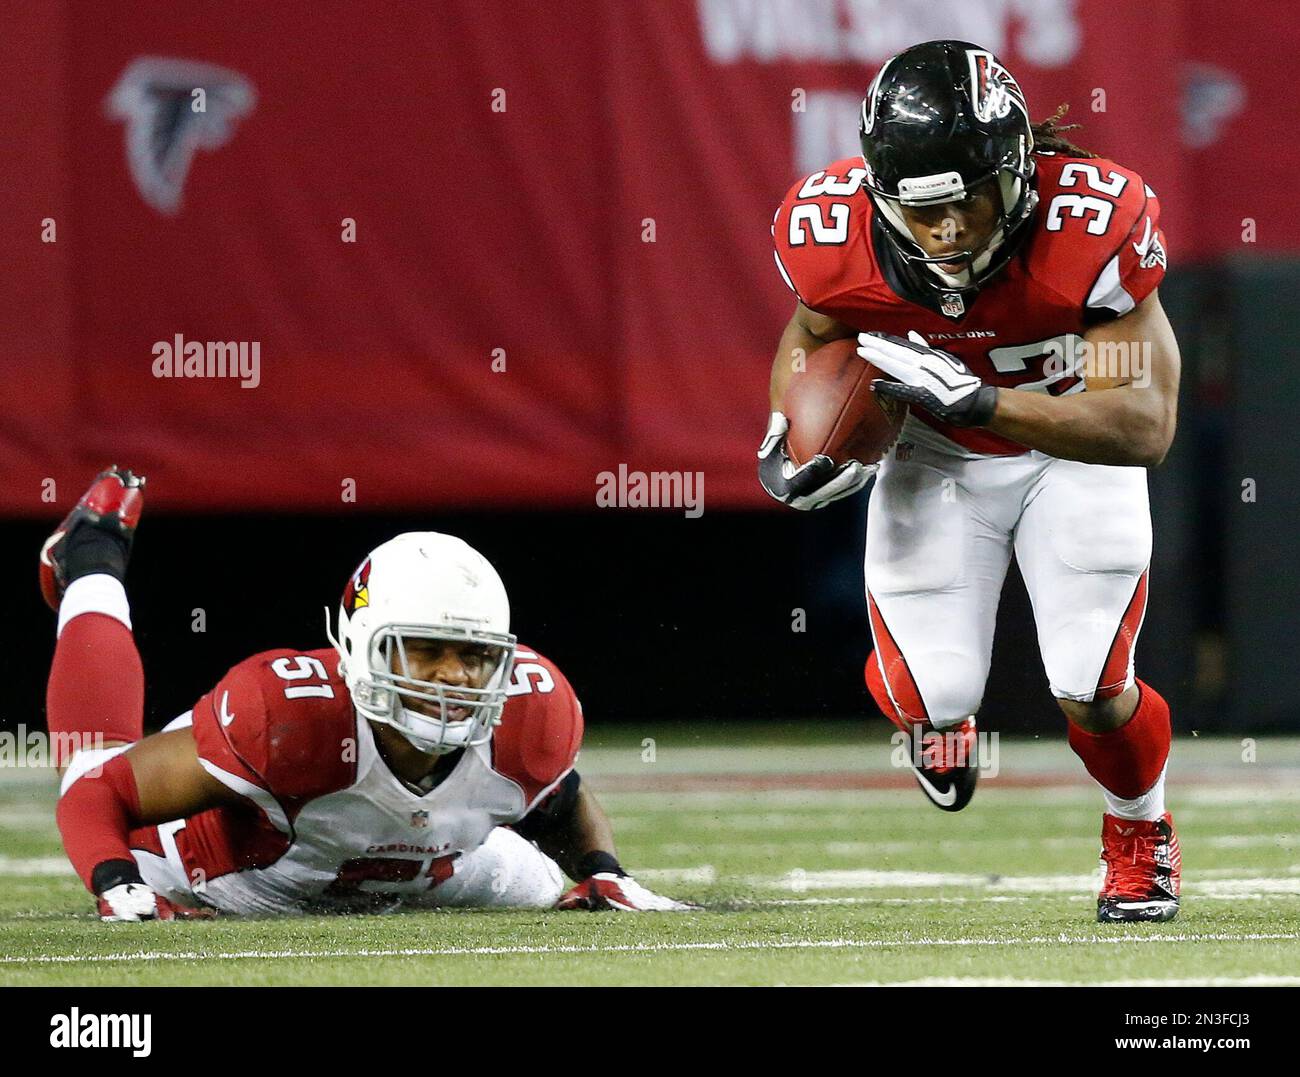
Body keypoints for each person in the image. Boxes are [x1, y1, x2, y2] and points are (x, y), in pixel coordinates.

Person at [758, 41, 1181, 922]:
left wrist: (986, 400)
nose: (949, 231)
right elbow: (810, 333)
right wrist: (791, 432)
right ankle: (933, 726)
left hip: (1074, 448)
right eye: (925, 212)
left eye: (969, 200)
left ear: (1018, 170)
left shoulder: (1092, 226)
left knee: (1091, 682)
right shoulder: (832, 237)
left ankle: (1139, 834)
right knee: (935, 693)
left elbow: (1143, 426)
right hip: (938, 461)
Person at [44, 467, 691, 919]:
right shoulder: (290, 719)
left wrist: (605, 865)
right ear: (361, 648)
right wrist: (117, 884)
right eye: (425, 649)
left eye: (473, 655)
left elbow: (564, 797)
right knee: (90, 760)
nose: (452, 675)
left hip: (435, 864)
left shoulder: (531, 711)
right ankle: (91, 555)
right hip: (242, 878)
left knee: (580, 898)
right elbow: (96, 792)